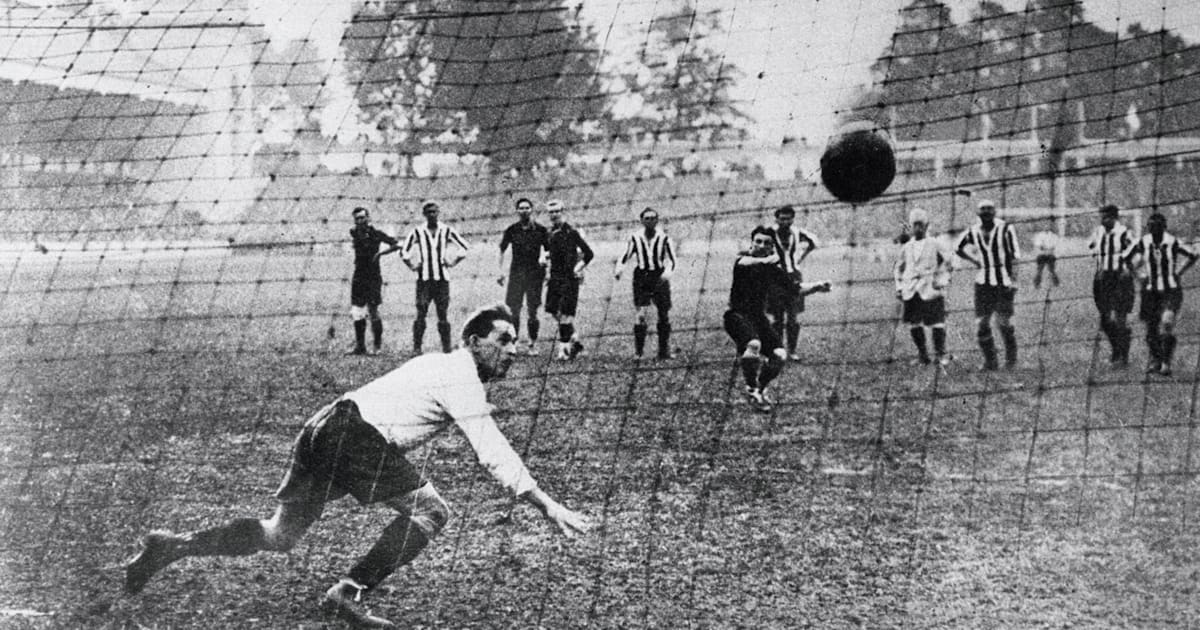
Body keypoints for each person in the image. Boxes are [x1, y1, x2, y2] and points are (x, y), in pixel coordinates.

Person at [124, 304, 591, 628]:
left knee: (280, 535)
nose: (513, 350)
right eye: (503, 340)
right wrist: (546, 504)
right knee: (432, 511)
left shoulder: (440, 364)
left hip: (324, 426)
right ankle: (347, 592)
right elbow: (491, 449)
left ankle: (172, 546)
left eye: (515, 342)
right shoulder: (460, 374)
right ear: (474, 341)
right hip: (354, 437)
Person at [724, 226, 830, 412]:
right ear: (751, 243)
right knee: (754, 344)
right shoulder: (742, 260)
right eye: (758, 241)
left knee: (780, 355)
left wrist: (816, 286)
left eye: (766, 243)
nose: (761, 245)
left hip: (758, 317)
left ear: (772, 246)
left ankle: (760, 390)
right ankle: (751, 389)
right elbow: (748, 262)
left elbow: (795, 289)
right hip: (736, 316)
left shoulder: (773, 269)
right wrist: (771, 260)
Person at [1121, 212, 1198, 376]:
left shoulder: (1173, 241)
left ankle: (1166, 363)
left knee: (1167, 322)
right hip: (1150, 291)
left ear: (1164, 227)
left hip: (1171, 290)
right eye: (1151, 226)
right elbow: (1125, 257)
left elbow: (1193, 255)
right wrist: (1138, 275)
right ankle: (1156, 360)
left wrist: (1179, 271)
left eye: (1157, 227)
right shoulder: (1142, 241)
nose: (1154, 230)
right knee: (1151, 328)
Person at [955, 200, 1021, 371]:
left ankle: (1011, 360)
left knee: (1004, 323)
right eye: (983, 209)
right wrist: (975, 260)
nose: (986, 212)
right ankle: (990, 362)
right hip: (983, 284)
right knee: (981, 323)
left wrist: (1014, 280)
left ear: (994, 211)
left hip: (1003, 282)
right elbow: (958, 248)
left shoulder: (1006, 229)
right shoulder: (973, 231)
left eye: (989, 209)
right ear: (978, 213)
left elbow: (1015, 256)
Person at [401, 201, 470, 353]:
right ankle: (417, 348)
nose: (432, 215)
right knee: (421, 312)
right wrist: (412, 265)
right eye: (429, 212)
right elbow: (404, 250)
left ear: (438, 213)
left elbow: (464, 246)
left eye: (434, 212)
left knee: (442, 313)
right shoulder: (418, 231)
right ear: (424, 214)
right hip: (424, 280)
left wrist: (453, 261)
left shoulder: (446, 230)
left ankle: (446, 348)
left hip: (442, 279)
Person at [613, 207, 677, 359]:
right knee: (641, 314)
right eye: (647, 218)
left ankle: (663, 351)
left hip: (659, 277)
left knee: (663, 313)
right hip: (642, 277)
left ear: (657, 220)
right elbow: (625, 255)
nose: (650, 221)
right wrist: (619, 270)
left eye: (653, 218)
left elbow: (672, 259)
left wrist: (667, 273)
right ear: (641, 221)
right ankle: (639, 352)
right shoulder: (635, 238)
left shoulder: (664, 238)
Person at [894, 208, 951, 366]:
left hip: (931, 288)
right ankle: (923, 355)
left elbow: (949, 262)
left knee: (937, 322)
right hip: (911, 290)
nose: (918, 228)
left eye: (921, 224)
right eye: (915, 224)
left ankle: (940, 354)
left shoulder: (935, 243)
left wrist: (942, 279)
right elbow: (898, 268)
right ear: (910, 226)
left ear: (927, 225)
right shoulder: (907, 247)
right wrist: (899, 287)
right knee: (914, 323)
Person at [543, 199, 594, 360]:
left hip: (569, 278)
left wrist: (578, 268)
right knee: (553, 311)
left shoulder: (571, 232)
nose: (554, 214)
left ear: (562, 212)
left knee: (565, 314)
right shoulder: (549, 232)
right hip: (554, 278)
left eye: (557, 211)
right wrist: (544, 259)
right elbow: (551, 252)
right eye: (551, 212)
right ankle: (575, 341)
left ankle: (563, 352)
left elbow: (588, 253)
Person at [767, 205, 820, 361]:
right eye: (782, 219)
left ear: (792, 219)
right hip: (774, 278)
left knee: (792, 317)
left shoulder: (797, 232)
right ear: (776, 219)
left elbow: (814, 241)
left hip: (793, 277)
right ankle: (777, 350)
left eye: (788, 219)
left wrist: (799, 258)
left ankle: (792, 351)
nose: (785, 222)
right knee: (777, 318)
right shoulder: (769, 233)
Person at [497, 198, 549, 356]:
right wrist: (500, 271)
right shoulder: (512, 230)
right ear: (517, 211)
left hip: (535, 275)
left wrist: (545, 260)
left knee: (533, 311)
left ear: (531, 210)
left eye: (527, 208)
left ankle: (532, 343)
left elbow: (549, 250)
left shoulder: (540, 230)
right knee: (514, 310)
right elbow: (501, 250)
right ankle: (515, 342)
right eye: (521, 208)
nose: (524, 211)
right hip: (517, 275)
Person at [348, 207, 401, 355]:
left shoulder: (376, 234)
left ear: (368, 218)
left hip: (373, 276)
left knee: (373, 310)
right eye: (357, 218)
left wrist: (380, 254)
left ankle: (377, 346)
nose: (360, 221)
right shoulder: (354, 233)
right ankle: (360, 346)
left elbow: (396, 244)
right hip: (358, 276)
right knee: (357, 311)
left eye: (362, 217)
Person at [1087, 204, 1135, 368]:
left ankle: (1122, 356)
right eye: (1102, 217)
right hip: (1103, 278)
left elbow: (1135, 249)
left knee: (1120, 317)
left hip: (1121, 278)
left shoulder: (1124, 233)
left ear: (1114, 217)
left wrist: (1127, 268)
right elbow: (1092, 247)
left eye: (1106, 217)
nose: (1103, 220)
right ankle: (1117, 350)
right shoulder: (1098, 232)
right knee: (1105, 319)